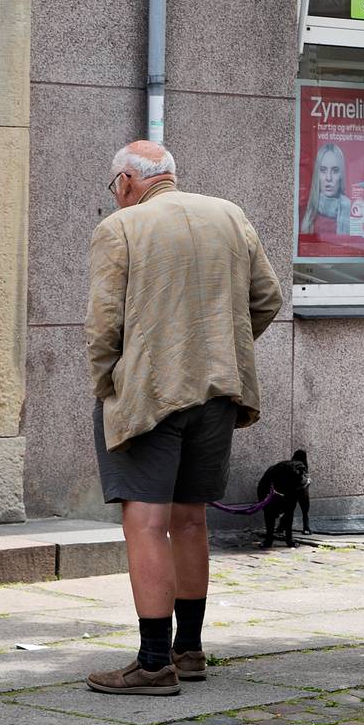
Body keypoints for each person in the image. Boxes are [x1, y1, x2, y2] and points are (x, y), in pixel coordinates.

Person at [86, 140, 284, 695]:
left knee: (146, 522)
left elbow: (103, 326)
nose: (116, 196)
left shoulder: (121, 229)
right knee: (191, 519)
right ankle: (189, 651)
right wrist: (223, 345)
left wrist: (108, 385)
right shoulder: (230, 215)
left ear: (126, 182)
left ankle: (152, 664)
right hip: (218, 392)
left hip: (149, 393)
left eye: (114, 189)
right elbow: (267, 298)